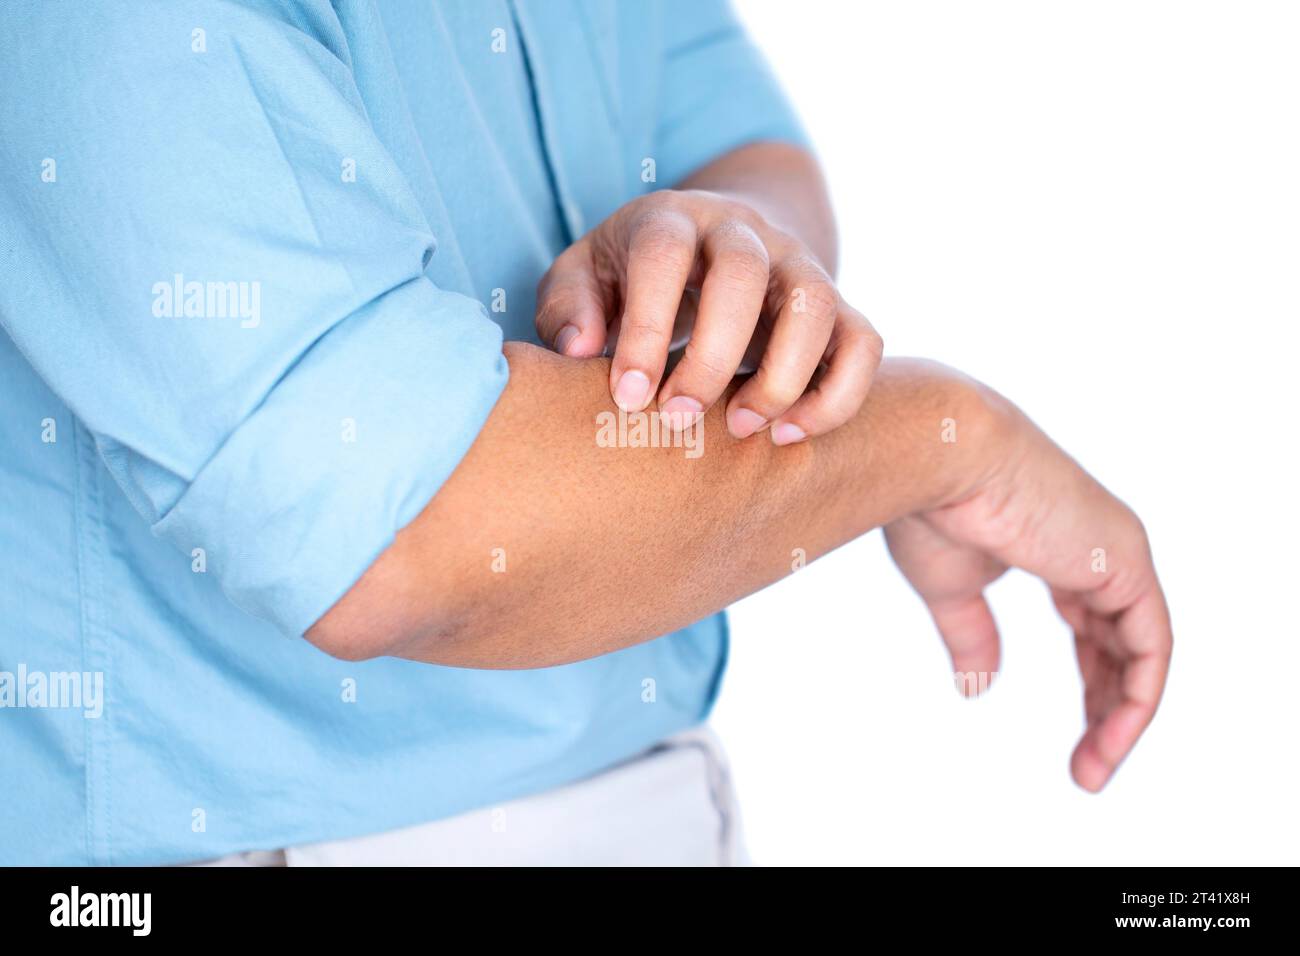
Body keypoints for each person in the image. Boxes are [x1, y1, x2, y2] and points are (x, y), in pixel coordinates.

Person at [0, 0, 1171, 866]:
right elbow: (407, 534)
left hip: (654, 811)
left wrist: (725, 249)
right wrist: (945, 440)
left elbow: (744, 146)